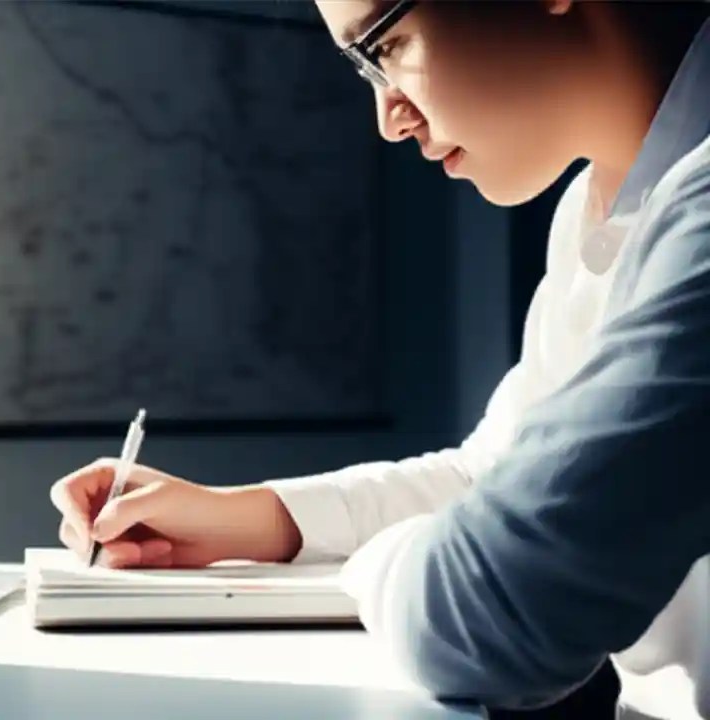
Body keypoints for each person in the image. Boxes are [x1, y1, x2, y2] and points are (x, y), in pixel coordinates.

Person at [48, 1, 710, 717]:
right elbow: (493, 477)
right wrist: (254, 519)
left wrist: (372, 565)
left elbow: (495, 615)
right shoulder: (598, 206)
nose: (389, 118)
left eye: (387, 44)